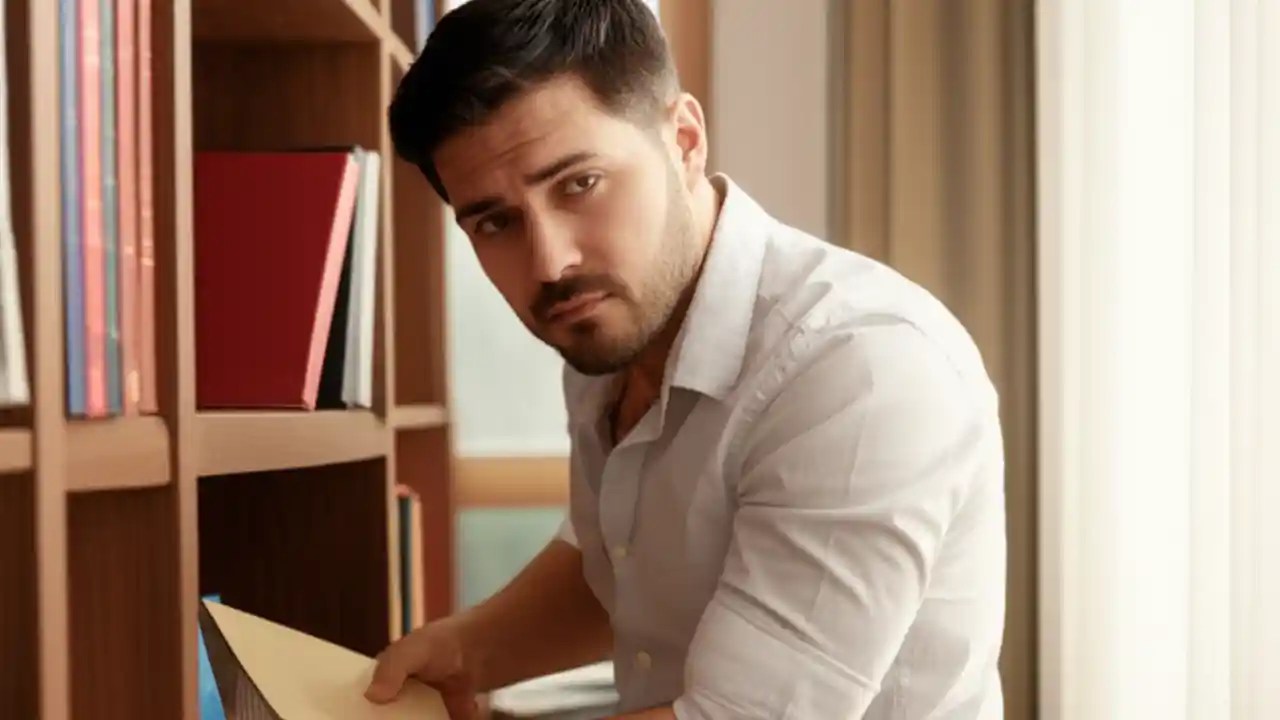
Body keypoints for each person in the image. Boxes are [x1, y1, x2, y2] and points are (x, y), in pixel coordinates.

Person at [365, 0, 1007, 717]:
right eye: (494, 221)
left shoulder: (861, 368)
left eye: (579, 184)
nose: (550, 261)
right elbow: (623, 566)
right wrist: (463, 650)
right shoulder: (610, 324)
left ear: (685, 138)